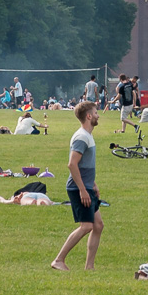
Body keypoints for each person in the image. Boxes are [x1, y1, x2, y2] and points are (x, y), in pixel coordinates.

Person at [53, 101, 103, 271]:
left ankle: (89, 267)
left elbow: (85, 165)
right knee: (87, 226)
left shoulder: (88, 135)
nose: (98, 115)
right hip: (78, 188)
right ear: (88, 116)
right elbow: (72, 164)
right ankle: (59, 260)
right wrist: (83, 190)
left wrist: (93, 184)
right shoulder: (81, 137)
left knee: (98, 225)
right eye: (95, 112)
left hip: (87, 186)